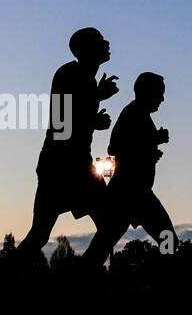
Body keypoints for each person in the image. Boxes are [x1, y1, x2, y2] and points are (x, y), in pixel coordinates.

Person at [15, 28, 119, 263]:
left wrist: (97, 99)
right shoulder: (68, 74)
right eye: (100, 41)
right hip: (63, 165)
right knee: (42, 234)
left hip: (70, 164)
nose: (107, 43)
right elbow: (62, 123)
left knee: (42, 234)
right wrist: (95, 112)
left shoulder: (85, 78)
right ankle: (79, 279)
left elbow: (74, 115)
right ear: (86, 49)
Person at [83, 72, 176, 267]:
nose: (162, 99)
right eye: (159, 93)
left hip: (132, 193)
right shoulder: (132, 114)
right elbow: (115, 148)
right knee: (168, 240)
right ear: (147, 93)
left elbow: (132, 152)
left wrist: (150, 153)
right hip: (130, 193)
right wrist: (153, 140)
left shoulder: (140, 115)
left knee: (103, 244)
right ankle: (171, 278)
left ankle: (78, 278)